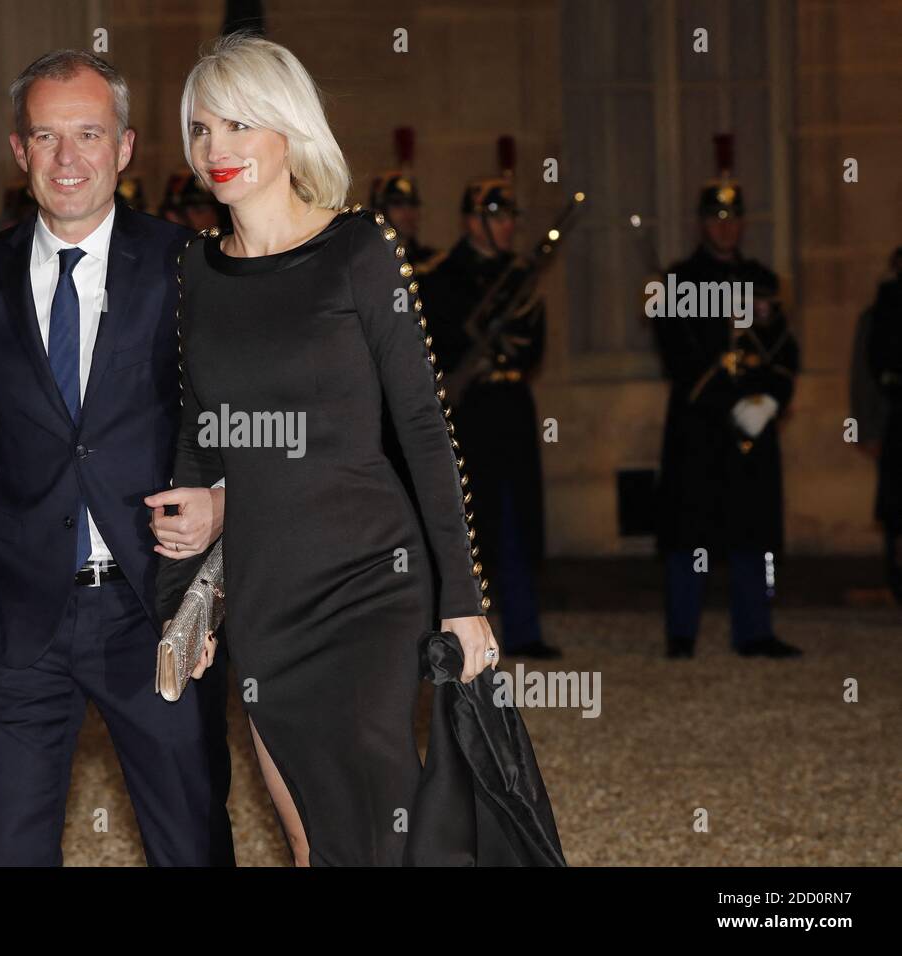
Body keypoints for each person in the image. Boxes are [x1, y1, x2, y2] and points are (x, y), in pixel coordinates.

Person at [155, 32, 507, 867]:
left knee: (375, 835)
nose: (218, 149)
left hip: (368, 584)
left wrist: (463, 597)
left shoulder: (360, 250)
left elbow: (425, 428)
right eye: (202, 129)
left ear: (289, 131)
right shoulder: (198, 272)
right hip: (267, 595)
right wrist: (183, 599)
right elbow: (199, 438)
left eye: (241, 125)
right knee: (311, 842)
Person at [0, 49, 235, 866]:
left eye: (89, 134)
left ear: (125, 147)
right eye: (47, 137)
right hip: (15, 619)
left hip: (153, 609)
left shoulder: (187, 265)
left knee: (190, 843)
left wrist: (213, 548)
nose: (69, 159)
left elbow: (227, 422)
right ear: (19, 150)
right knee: (15, 850)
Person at [651, 134, 801, 659]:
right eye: (715, 217)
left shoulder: (763, 281)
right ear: (701, 222)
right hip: (699, 427)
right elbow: (680, 358)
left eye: (733, 217)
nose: (725, 226)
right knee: (689, 532)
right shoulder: (678, 281)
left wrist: (770, 401)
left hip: (753, 429)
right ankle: (682, 634)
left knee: (754, 532)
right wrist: (730, 402)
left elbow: (785, 351)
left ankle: (756, 631)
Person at [420, 134, 557, 659]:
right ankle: (458, 628)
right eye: (497, 217)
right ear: (471, 220)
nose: (507, 227)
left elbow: (532, 345)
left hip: (511, 406)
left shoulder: (520, 277)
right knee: (464, 520)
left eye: (510, 217)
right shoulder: (440, 279)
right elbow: (440, 347)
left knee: (518, 516)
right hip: (467, 411)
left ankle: (525, 628)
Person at [866, 249, 902, 604]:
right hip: (898, 415)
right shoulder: (888, 301)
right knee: (896, 509)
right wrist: (867, 427)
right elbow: (872, 368)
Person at [369, 127, 439, 273]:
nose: (409, 213)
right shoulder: (367, 261)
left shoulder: (432, 262)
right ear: (379, 210)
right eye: (398, 205)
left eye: (413, 205)